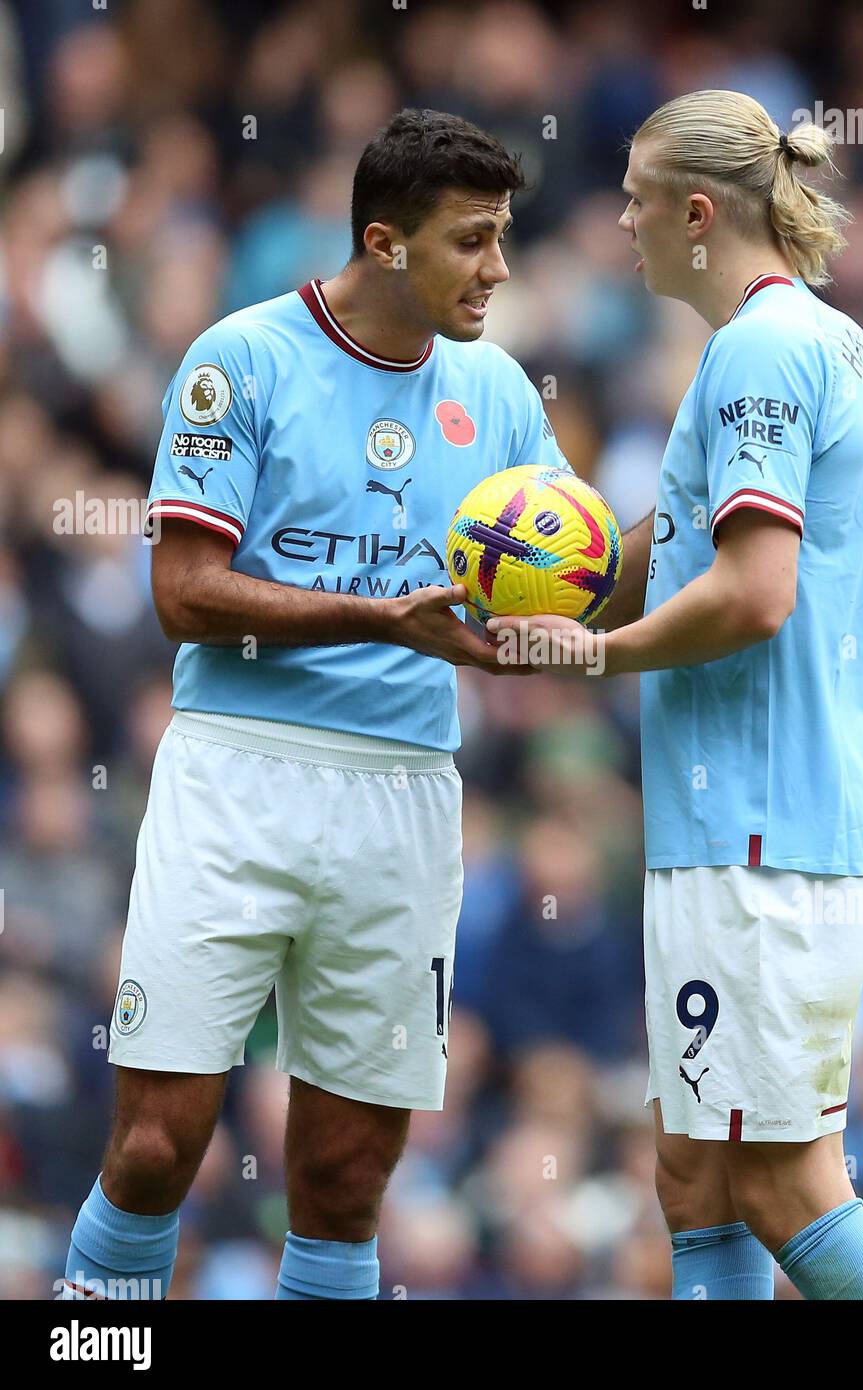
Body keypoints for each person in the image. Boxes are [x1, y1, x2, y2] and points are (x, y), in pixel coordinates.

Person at [63, 108, 566, 1302]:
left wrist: (698, 527)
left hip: (404, 791)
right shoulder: (240, 358)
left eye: (504, 239)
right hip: (237, 771)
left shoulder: (497, 392)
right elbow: (183, 594)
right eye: (474, 241)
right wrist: (383, 620)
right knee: (154, 1144)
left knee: (345, 1175)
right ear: (386, 243)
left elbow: (572, 565)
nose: (500, 269)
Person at [490, 90, 863, 1300]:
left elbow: (756, 591)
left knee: (786, 1184)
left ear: (694, 212)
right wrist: (539, 590)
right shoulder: (831, 342)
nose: (618, 226)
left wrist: (592, 659)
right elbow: (684, 550)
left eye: (632, 202)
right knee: (694, 1169)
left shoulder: (759, 351)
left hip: (763, 832)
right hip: (763, 824)